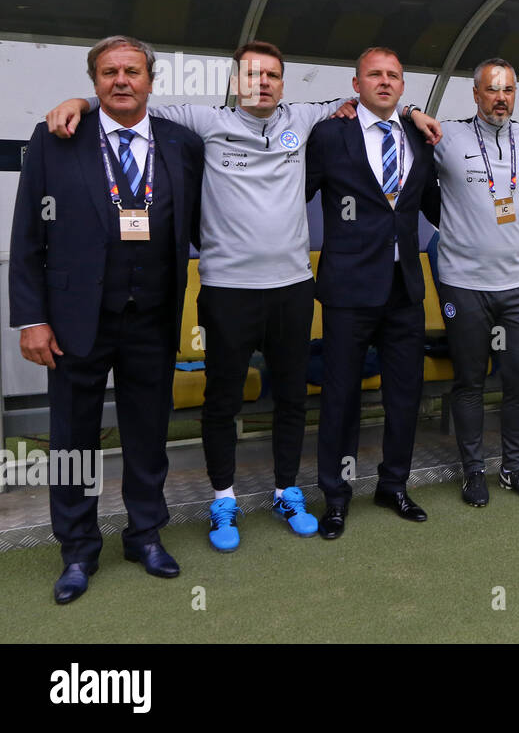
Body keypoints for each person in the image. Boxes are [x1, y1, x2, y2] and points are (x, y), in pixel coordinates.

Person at [43, 42, 440, 551]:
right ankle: (223, 498)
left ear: (283, 83)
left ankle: (286, 490)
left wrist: (411, 109)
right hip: (228, 289)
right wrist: (80, 101)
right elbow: (130, 103)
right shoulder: (203, 120)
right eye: (252, 76)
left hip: (293, 287)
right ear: (236, 83)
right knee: (223, 400)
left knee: (292, 398)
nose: (263, 84)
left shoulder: (307, 118)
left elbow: (375, 101)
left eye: (272, 75)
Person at [12, 36, 201, 604]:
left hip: (152, 318)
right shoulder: (56, 138)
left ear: (151, 80)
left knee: (148, 433)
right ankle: (77, 550)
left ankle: (144, 534)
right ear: (94, 82)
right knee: (73, 438)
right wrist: (31, 318)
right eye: (110, 72)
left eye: (133, 72)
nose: (122, 81)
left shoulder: (181, 143)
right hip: (73, 322)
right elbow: (27, 236)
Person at [305, 48, 441, 540]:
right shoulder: (329, 134)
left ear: (403, 87)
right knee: (340, 398)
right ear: (356, 83)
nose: (384, 82)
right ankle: (336, 498)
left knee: (404, 395)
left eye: (394, 76)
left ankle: (394, 485)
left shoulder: (418, 137)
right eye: (374, 75)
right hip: (348, 289)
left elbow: (437, 208)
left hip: (404, 288)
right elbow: (294, 193)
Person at [431, 59, 519, 506]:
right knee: (470, 382)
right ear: (475, 94)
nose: (501, 98)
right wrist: (413, 113)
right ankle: (473, 471)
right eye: (492, 90)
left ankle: (514, 468)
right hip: (463, 283)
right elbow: (400, 133)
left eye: (509, 90)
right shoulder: (447, 136)